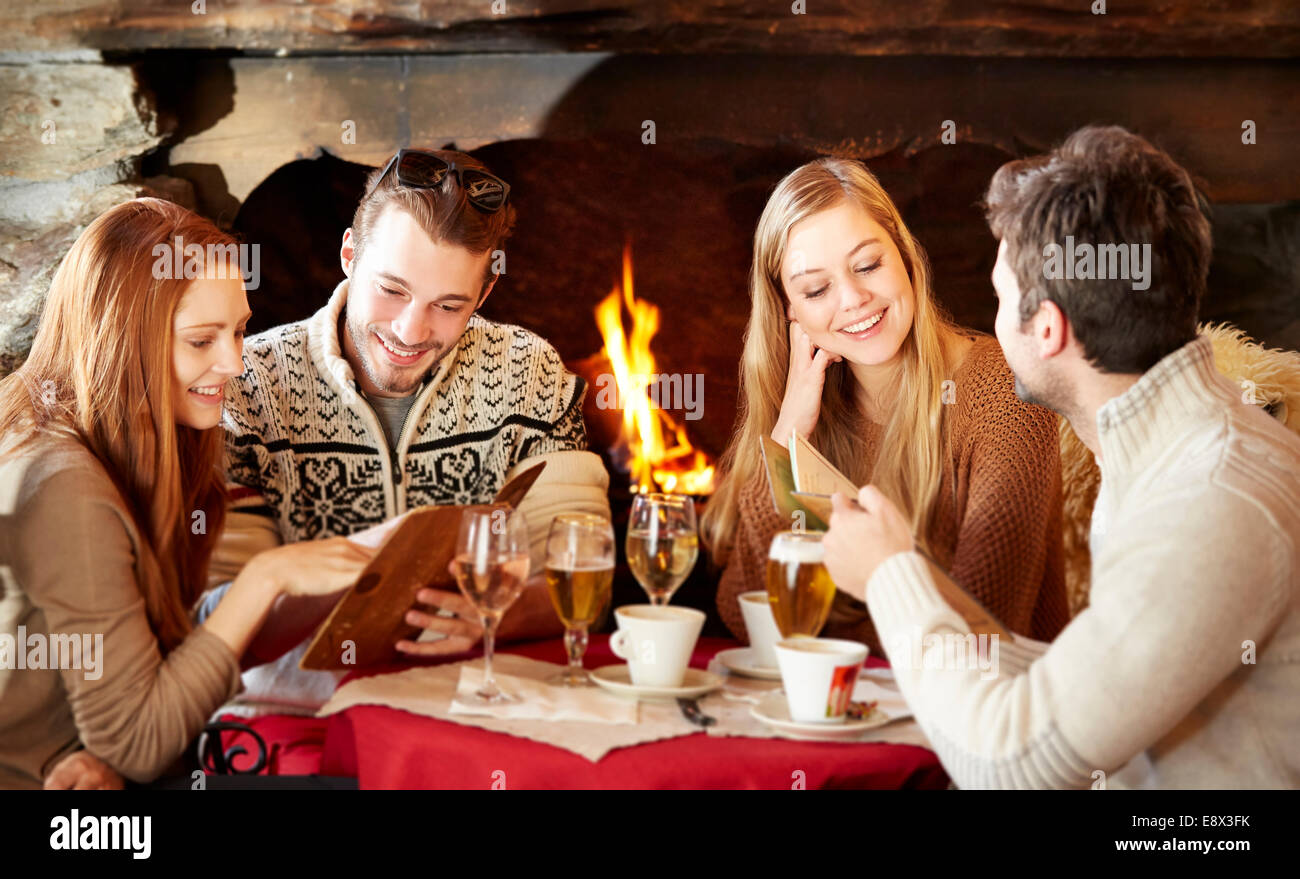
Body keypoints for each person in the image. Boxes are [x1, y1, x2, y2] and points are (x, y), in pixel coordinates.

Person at [823, 126, 1300, 789]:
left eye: (998, 297)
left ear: (1047, 329)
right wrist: (916, 578)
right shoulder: (1176, 449)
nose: (991, 320)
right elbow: (1096, 682)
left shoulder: (1207, 499)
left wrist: (888, 577)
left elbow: (1015, 762)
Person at [205, 148, 609, 706]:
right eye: (392, 290)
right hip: (294, 715)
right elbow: (223, 621)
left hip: (474, 708)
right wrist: (376, 563)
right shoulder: (244, 385)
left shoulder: (530, 370)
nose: (409, 330)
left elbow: (585, 581)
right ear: (349, 254)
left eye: (448, 305)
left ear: (485, 292)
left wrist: (499, 615)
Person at [0, 198, 376, 789]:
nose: (234, 362)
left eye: (239, 330)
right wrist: (266, 578)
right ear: (123, 339)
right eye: (202, 341)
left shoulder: (119, 428)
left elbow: (139, 676)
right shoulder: (64, 489)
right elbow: (140, 742)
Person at [702, 158, 1070, 656]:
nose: (853, 298)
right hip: (846, 711)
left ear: (904, 256)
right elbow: (748, 613)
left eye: (868, 265)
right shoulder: (811, 413)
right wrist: (787, 441)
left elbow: (984, 634)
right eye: (816, 289)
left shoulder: (1006, 392)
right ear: (790, 309)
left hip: (982, 719)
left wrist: (828, 636)